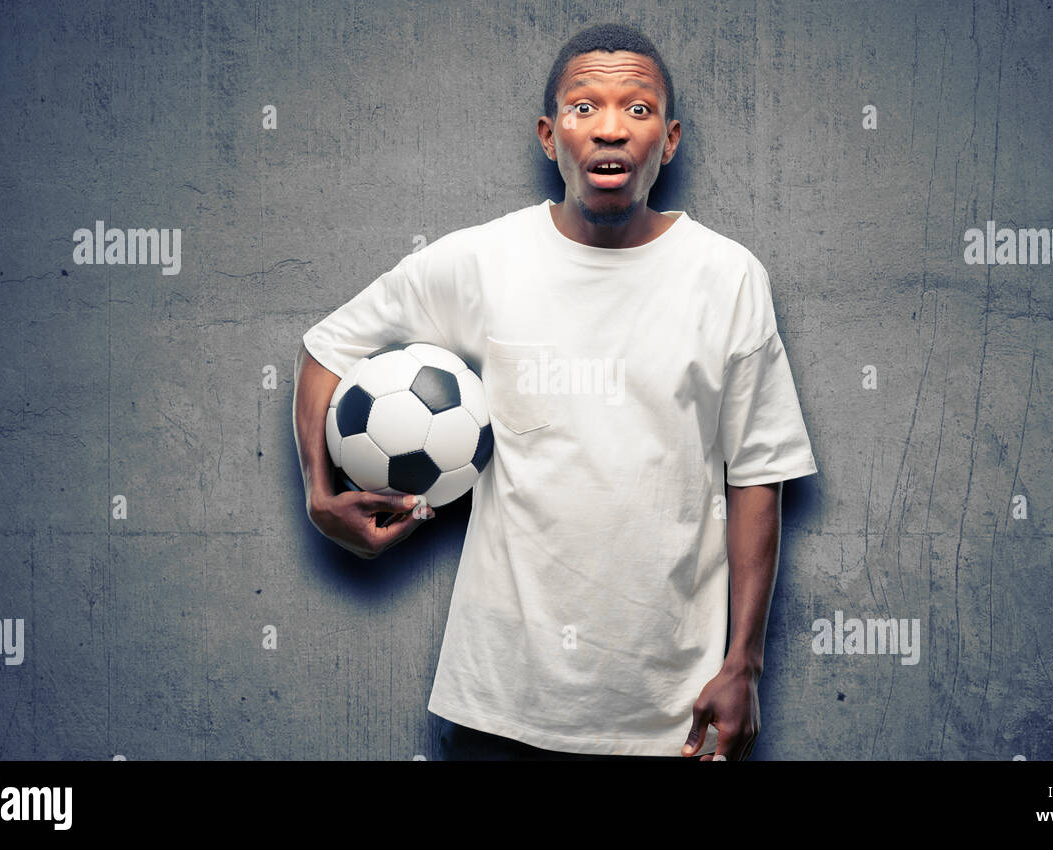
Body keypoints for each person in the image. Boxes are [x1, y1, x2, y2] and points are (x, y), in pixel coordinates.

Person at [292, 23, 817, 761]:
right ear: (549, 134)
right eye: (584, 107)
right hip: (498, 706)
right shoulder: (485, 260)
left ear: (668, 141)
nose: (610, 128)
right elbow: (327, 348)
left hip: (672, 718)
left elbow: (758, 473)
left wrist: (745, 664)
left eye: (637, 110)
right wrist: (320, 493)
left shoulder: (727, 278)